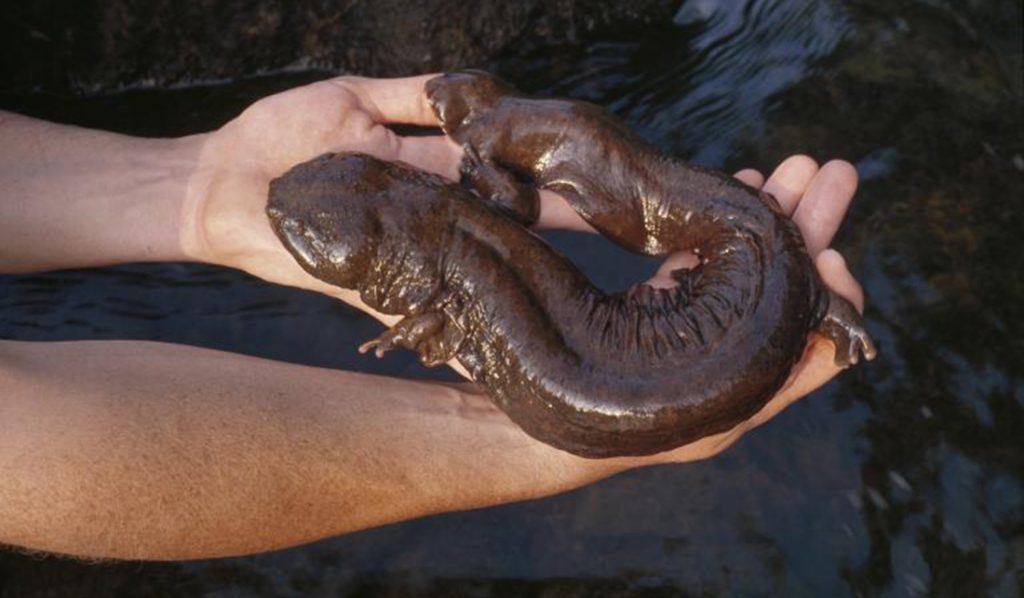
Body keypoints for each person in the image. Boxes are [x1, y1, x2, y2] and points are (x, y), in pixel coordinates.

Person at [0, 74, 868, 561]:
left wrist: (192, 182)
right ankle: (798, 303)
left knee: (757, 272)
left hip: (731, 304)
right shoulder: (470, 220)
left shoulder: (458, 258)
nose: (285, 213)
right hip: (736, 299)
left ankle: (793, 302)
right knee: (765, 264)